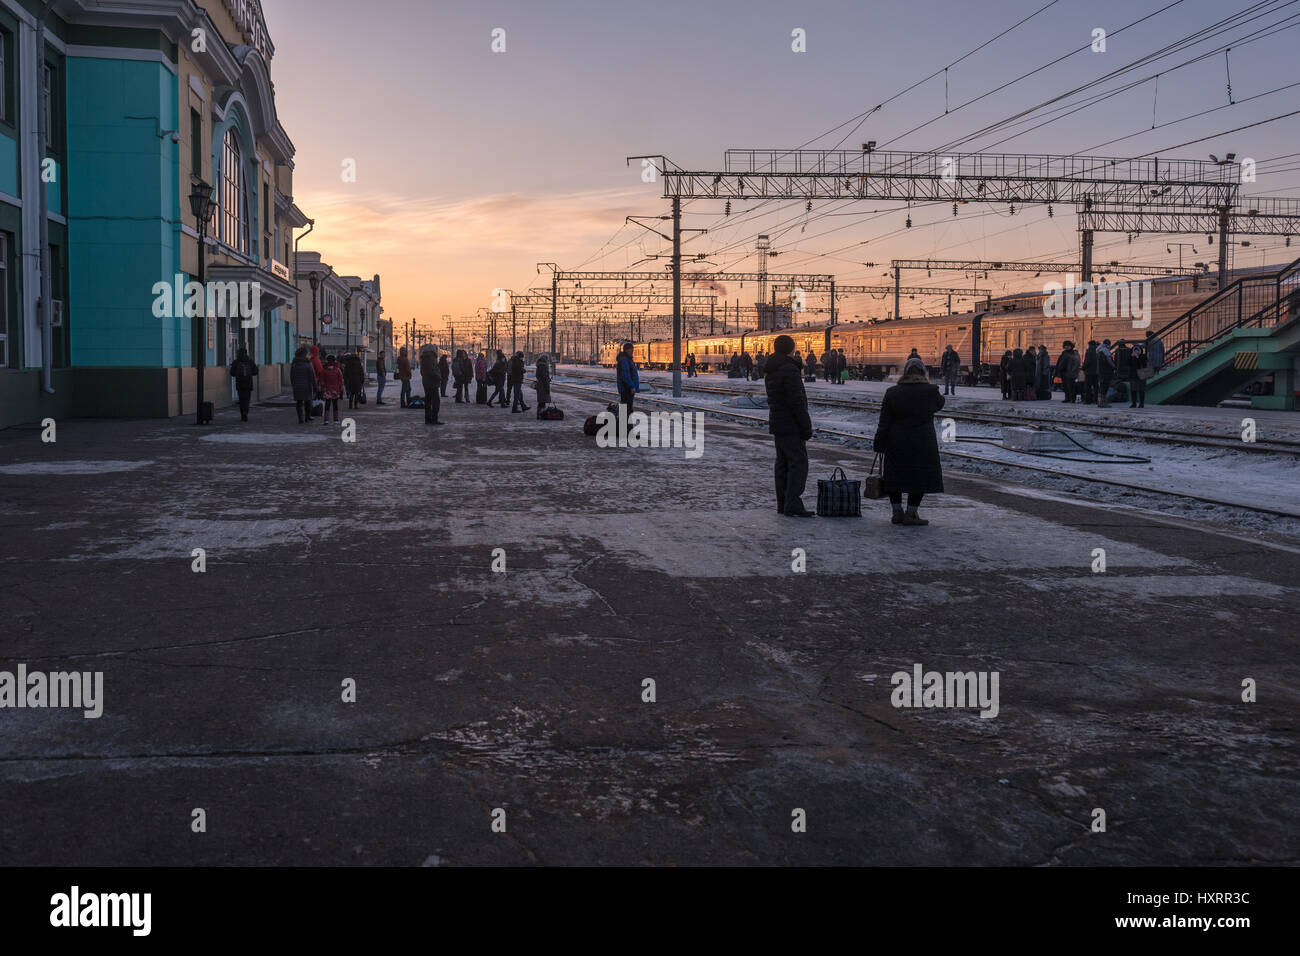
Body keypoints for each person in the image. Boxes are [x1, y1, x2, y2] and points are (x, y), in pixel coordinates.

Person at [873, 356, 945, 526]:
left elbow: (884, 421)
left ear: (904, 373)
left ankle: (897, 511)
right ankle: (911, 513)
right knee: (919, 477)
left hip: (896, 441)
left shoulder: (892, 392)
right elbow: (940, 403)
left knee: (895, 476)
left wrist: (879, 442)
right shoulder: (930, 391)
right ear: (923, 372)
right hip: (923, 442)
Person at [763, 335, 814, 518]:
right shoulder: (789, 370)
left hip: (778, 422)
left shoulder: (772, 368)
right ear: (791, 350)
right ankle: (793, 503)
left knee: (782, 464)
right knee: (798, 464)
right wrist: (806, 425)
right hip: (791, 424)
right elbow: (796, 402)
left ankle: (783, 503)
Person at [228, 346, 257, 422]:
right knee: (247, 399)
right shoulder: (250, 361)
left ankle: (242, 414)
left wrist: (238, 374)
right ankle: (245, 413)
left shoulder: (236, 362)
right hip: (248, 383)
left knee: (241, 399)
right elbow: (256, 371)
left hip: (240, 383)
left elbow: (232, 373)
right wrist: (249, 374)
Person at [289, 346, 316, 423]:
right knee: (308, 402)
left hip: (297, 386)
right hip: (307, 386)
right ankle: (307, 417)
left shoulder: (294, 364)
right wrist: (315, 387)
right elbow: (312, 376)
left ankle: (300, 419)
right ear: (304, 355)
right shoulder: (308, 364)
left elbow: (292, 376)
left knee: (299, 403)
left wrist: (293, 385)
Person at [419, 346, 443, 424]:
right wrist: (439, 377)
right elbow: (432, 371)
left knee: (428, 401)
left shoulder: (424, 359)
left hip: (426, 382)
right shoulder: (431, 358)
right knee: (436, 402)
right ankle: (434, 419)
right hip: (432, 383)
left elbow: (423, 371)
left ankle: (428, 419)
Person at [320, 353, 344, 425]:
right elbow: (341, 380)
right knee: (335, 405)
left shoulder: (324, 370)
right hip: (335, 390)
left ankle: (326, 420)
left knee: (327, 405)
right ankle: (336, 420)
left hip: (327, 390)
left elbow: (322, 380)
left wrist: (323, 387)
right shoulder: (337, 370)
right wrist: (341, 388)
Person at [616, 342, 639, 415]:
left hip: (627, 389)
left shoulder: (627, 360)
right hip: (626, 389)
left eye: (632, 349)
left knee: (627, 409)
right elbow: (625, 376)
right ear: (626, 350)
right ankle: (626, 426)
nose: (632, 351)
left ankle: (626, 425)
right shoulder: (624, 360)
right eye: (631, 349)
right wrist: (631, 386)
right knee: (627, 409)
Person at [1096, 339, 1115, 408]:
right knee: (1104, 387)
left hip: (1100, 372)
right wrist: (1114, 367)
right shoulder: (1105, 351)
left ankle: (1099, 402)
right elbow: (1109, 362)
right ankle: (1103, 403)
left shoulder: (1099, 350)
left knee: (1101, 387)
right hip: (1106, 372)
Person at [1128, 342, 1149, 408]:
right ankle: (1133, 403)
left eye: (1137, 350)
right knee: (1133, 390)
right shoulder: (1131, 356)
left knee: (1141, 390)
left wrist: (1137, 357)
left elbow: (1143, 364)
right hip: (1133, 375)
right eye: (1134, 350)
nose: (1136, 351)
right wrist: (1132, 356)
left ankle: (1141, 404)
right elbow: (1127, 363)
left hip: (1141, 375)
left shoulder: (1143, 356)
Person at [1082, 340, 1099, 405]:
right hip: (1096, 371)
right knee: (1096, 387)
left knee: (1088, 387)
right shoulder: (1098, 350)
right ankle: (1096, 400)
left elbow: (1087, 361)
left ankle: (1088, 400)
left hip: (1089, 371)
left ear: (1089, 345)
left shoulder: (1089, 351)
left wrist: (1083, 367)